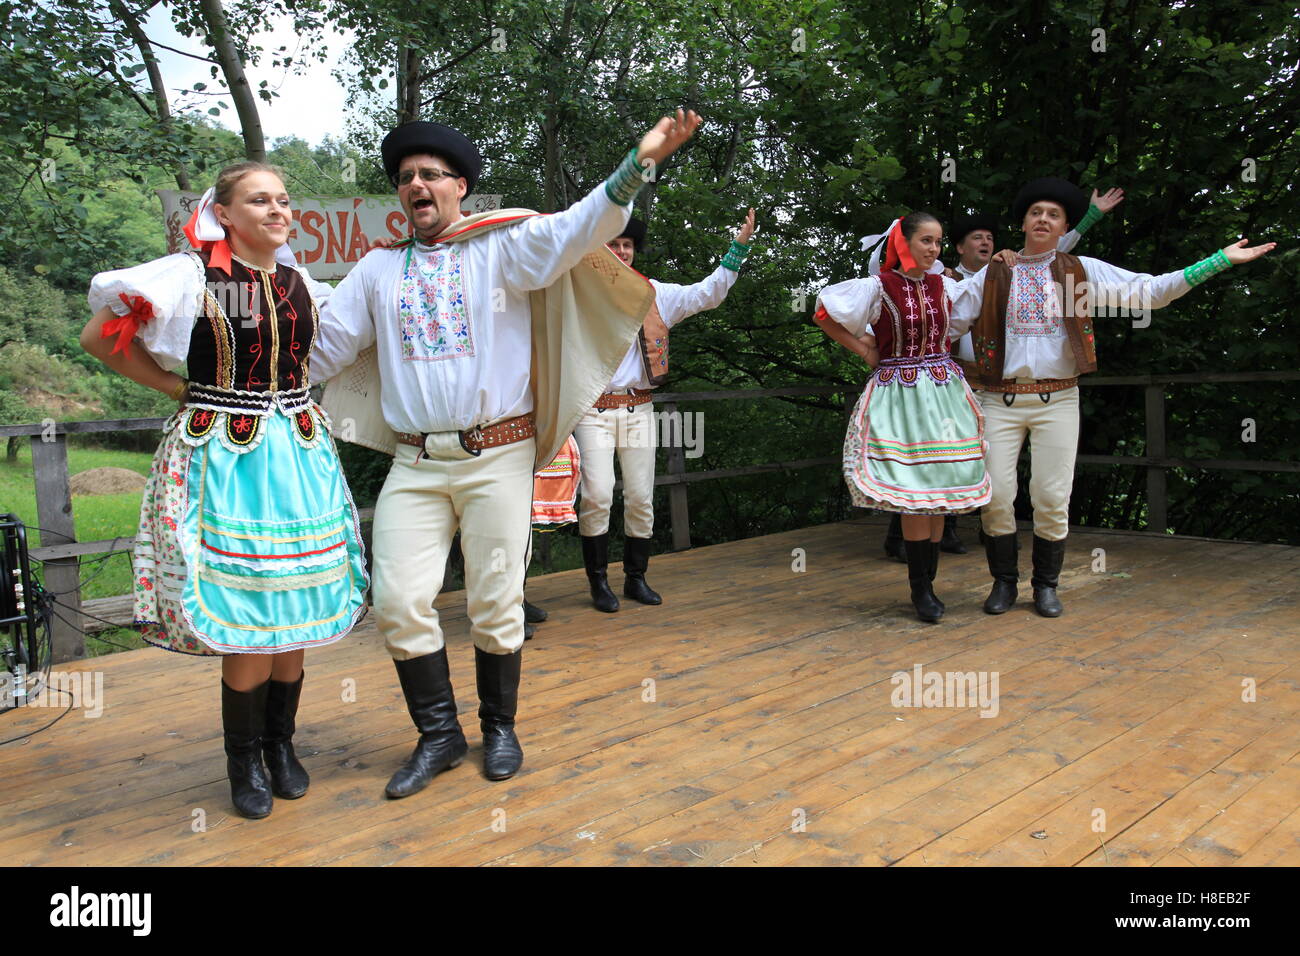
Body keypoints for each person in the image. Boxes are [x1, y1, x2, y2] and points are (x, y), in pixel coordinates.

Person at [312, 112, 700, 798]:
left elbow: (578, 227)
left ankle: (499, 728)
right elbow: (321, 351)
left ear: (460, 186)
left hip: (497, 455)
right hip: (415, 463)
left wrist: (635, 167)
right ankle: (439, 736)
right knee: (396, 600)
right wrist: (229, 376)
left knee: (495, 600)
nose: (416, 185)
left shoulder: (504, 247)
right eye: (405, 178)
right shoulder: (377, 269)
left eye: (431, 175)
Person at [81, 162, 368, 819]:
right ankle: (244, 762)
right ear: (224, 214)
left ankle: (280, 746)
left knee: (294, 599)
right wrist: (175, 387)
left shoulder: (301, 284)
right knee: (249, 607)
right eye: (260, 200)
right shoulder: (190, 277)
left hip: (298, 454)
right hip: (225, 458)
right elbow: (98, 337)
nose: (277, 210)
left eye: (283, 200)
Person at [950, 177, 1275, 617]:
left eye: (1053, 215)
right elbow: (949, 321)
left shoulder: (1080, 270)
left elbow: (1151, 292)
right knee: (995, 495)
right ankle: (1004, 583)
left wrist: (1219, 261)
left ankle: (1045, 586)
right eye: (1035, 213)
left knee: (1051, 496)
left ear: (1065, 226)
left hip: (1057, 400)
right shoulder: (993, 273)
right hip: (998, 400)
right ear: (1023, 223)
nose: (1043, 219)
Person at [559, 210, 755, 613]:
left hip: (639, 410)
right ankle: (598, 582)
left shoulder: (656, 294)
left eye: (627, 245)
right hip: (592, 411)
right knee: (597, 495)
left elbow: (707, 293)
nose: (621, 251)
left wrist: (738, 247)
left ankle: (636, 578)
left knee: (640, 496)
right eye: (613, 245)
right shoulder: (576, 293)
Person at [814, 212, 991, 622]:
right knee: (915, 493)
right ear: (904, 242)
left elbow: (965, 321)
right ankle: (920, 589)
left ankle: (929, 580)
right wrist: (865, 348)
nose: (934, 249)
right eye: (926, 240)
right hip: (900, 394)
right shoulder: (879, 287)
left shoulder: (946, 285)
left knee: (940, 490)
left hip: (945, 394)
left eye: (938, 241)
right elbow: (824, 313)